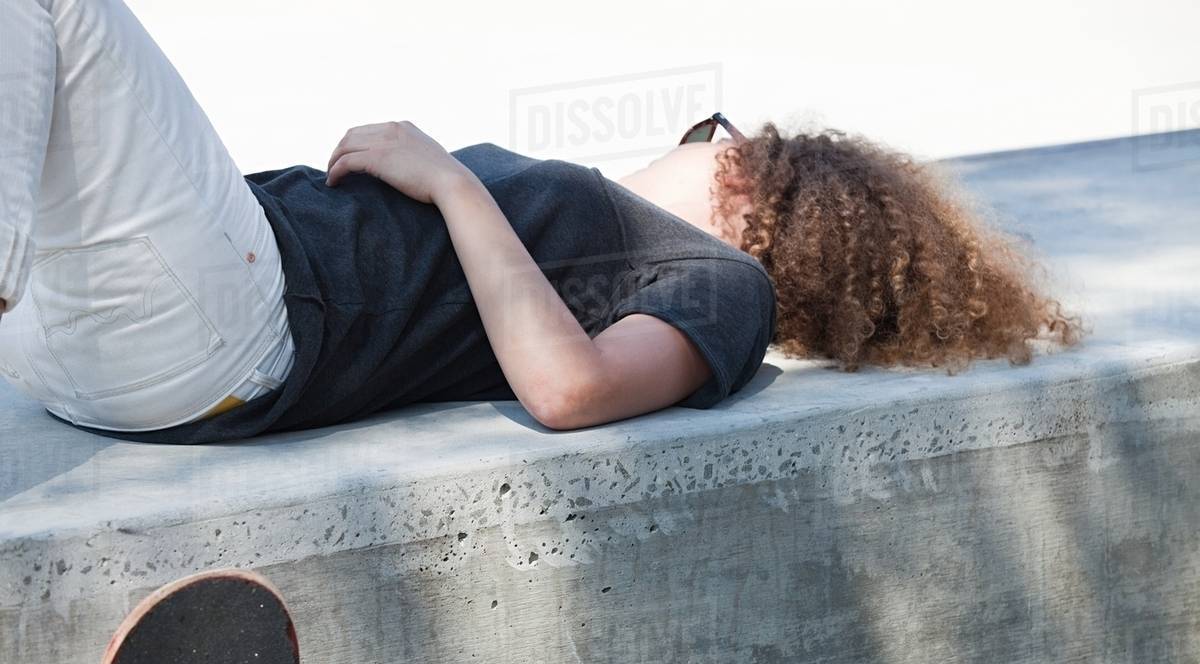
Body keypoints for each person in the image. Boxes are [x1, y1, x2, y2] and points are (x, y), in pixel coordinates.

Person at [0, 0, 1082, 446]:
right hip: (101, 340)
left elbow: (569, 391)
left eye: (714, 132)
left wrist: (450, 180)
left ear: (747, 180)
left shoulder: (724, 289)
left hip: (228, 333)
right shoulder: (628, 252)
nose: (698, 138)